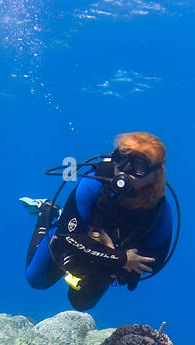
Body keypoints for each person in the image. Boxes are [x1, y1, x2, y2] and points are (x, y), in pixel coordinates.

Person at [24, 131, 175, 311]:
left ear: (155, 174)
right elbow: (68, 236)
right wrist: (122, 257)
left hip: (108, 260)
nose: (124, 170)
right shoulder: (94, 182)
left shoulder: (160, 212)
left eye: (139, 166)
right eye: (120, 159)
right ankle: (47, 213)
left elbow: (154, 264)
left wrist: (110, 252)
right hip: (82, 242)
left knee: (81, 303)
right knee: (36, 279)